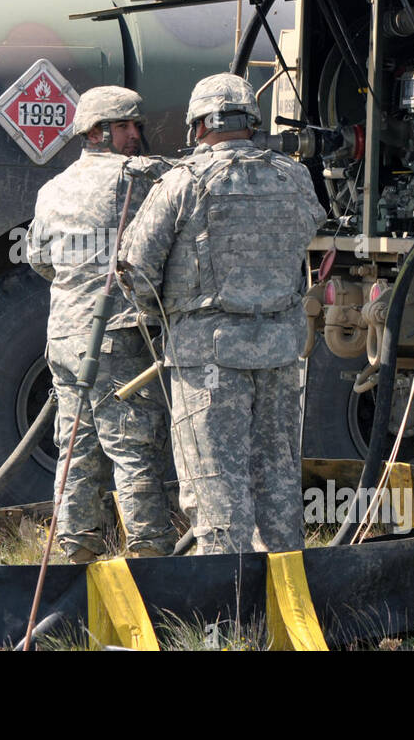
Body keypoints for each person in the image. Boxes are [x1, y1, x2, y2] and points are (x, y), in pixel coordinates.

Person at [117, 73, 324, 555]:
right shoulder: (294, 176)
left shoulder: (183, 182)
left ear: (197, 127)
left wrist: (165, 318)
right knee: (277, 484)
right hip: (278, 353)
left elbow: (136, 270)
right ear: (252, 123)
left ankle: (228, 617)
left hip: (205, 357)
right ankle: (285, 604)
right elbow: (308, 236)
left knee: (215, 489)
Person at [26, 86, 177, 562]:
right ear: (96, 132)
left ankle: (76, 556)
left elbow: (39, 259)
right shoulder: (141, 178)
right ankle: (151, 559)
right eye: (126, 126)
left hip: (65, 338)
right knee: (133, 450)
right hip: (117, 337)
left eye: (137, 125)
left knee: (76, 452)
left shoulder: (53, 188)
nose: (137, 134)